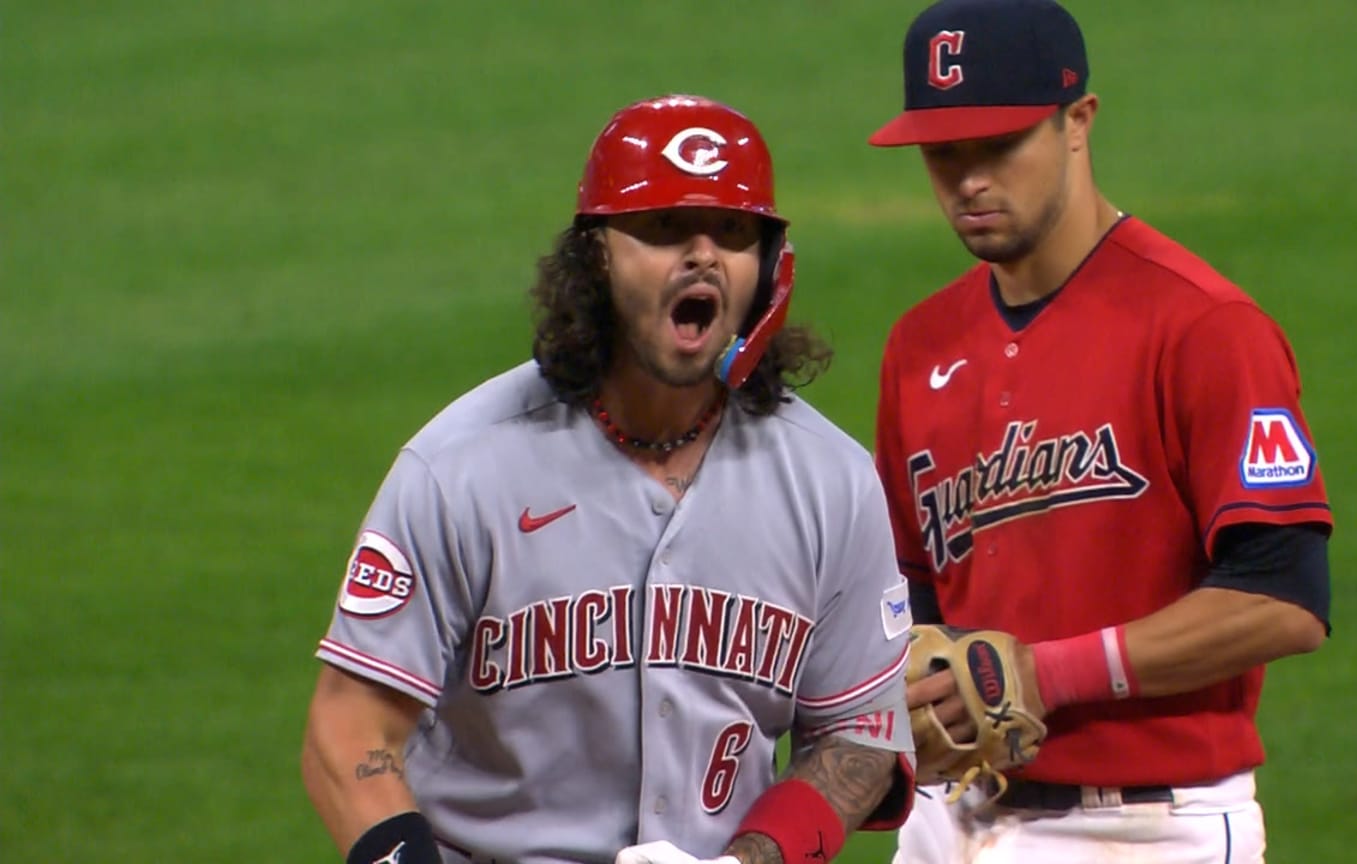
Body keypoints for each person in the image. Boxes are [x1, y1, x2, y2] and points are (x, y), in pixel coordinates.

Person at [300, 94, 917, 864]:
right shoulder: (461, 468)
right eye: (662, 229)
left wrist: (746, 863)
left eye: (733, 232)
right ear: (593, 257)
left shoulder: (831, 482)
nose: (702, 256)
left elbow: (860, 738)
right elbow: (348, 731)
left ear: (768, 268)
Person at [865, 1, 1334, 861]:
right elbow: (915, 590)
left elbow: (1285, 599)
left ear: (1078, 121)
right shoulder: (919, 346)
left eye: (999, 145)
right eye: (944, 153)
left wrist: (1046, 674)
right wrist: (922, 693)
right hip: (950, 819)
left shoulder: (1203, 327)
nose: (969, 180)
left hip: (1144, 827)